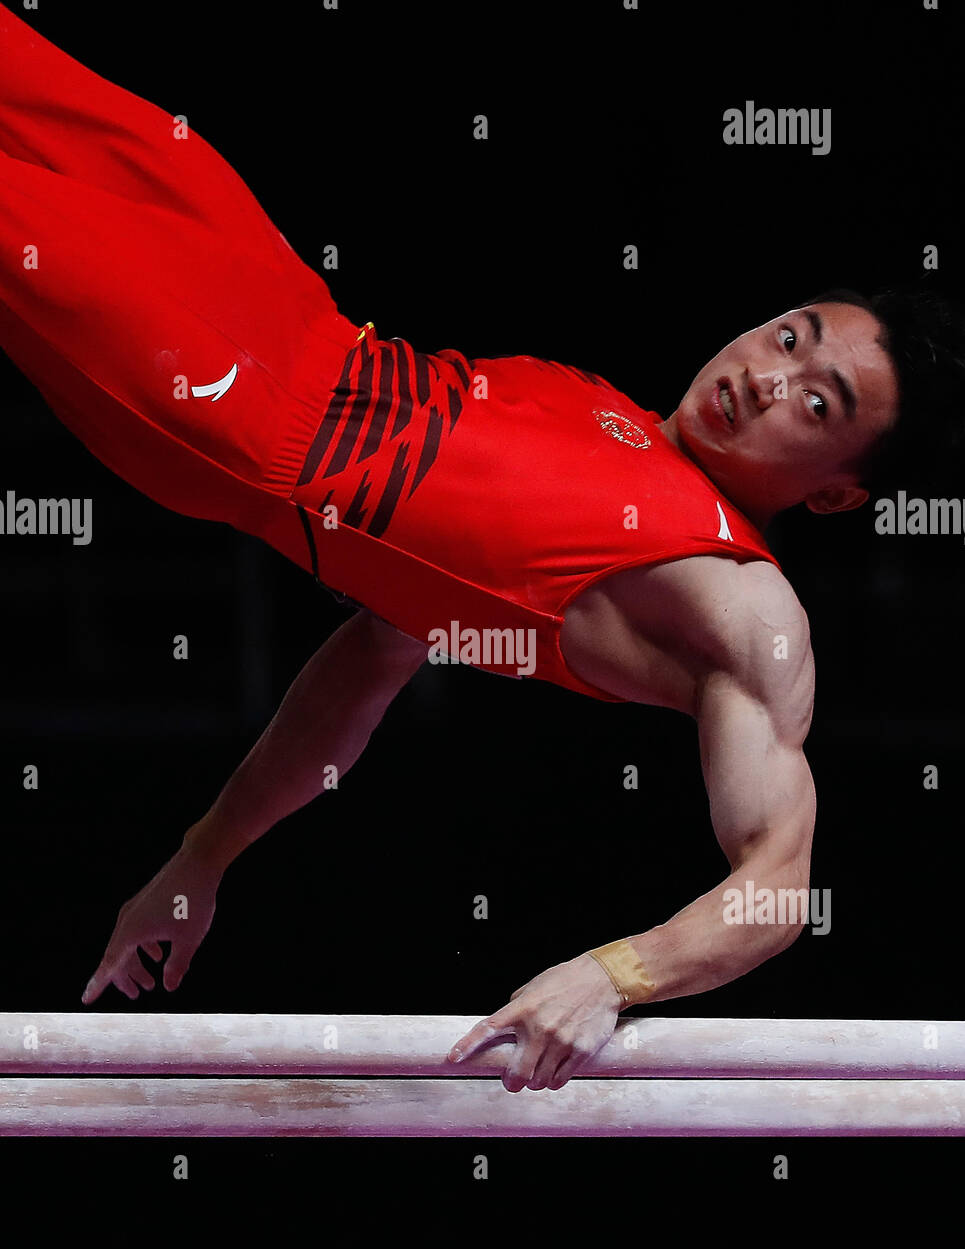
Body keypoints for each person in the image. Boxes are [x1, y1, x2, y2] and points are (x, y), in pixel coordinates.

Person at [3, 6, 962, 1093]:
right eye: (789, 335)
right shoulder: (599, 407)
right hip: (269, 292)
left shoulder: (738, 605)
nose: (766, 373)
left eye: (817, 400)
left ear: (836, 493)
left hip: (233, 407)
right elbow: (364, 667)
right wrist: (203, 854)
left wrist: (613, 974)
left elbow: (776, 886)